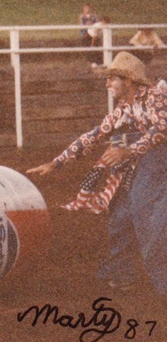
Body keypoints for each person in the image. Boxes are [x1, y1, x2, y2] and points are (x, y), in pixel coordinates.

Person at [27, 52, 167, 296]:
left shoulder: (157, 95)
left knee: (146, 211)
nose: (107, 84)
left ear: (129, 81)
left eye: (111, 79)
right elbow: (94, 135)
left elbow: (161, 129)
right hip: (150, 157)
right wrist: (56, 163)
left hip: (159, 157)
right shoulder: (126, 107)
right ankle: (120, 273)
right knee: (121, 211)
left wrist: (128, 151)